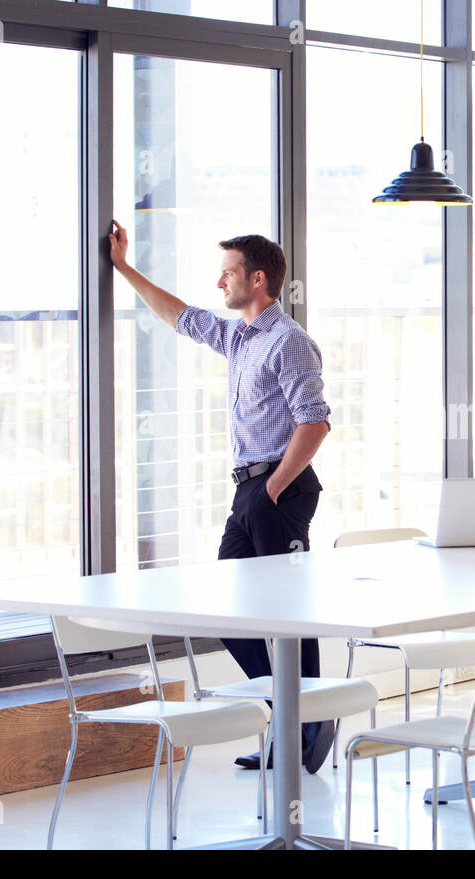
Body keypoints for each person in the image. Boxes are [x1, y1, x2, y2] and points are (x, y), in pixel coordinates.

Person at [108, 221, 335, 774]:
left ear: (257, 280)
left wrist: (274, 489)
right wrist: (122, 267)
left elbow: (316, 423)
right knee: (231, 607)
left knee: (286, 614)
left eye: (228, 273)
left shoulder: (290, 342)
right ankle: (297, 714)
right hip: (251, 489)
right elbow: (178, 315)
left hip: (278, 487)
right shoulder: (239, 337)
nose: (219, 283)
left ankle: (306, 719)